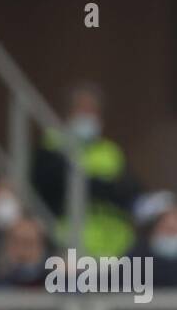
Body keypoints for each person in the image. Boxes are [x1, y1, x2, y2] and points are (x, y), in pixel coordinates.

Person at [31, 81, 139, 258]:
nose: (88, 116)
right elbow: (54, 183)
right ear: (68, 113)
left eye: (92, 111)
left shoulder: (111, 151)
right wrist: (104, 186)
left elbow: (130, 191)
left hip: (115, 249)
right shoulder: (52, 146)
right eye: (82, 110)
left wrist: (98, 186)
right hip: (68, 247)